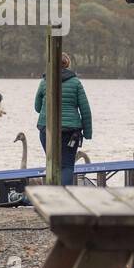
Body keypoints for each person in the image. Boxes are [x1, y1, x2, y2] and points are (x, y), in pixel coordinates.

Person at [35, 53, 92, 186]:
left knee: (52, 164)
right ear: (67, 64)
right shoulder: (75, 82)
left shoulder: (44, 82)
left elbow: (37, 107)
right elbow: (85, 110)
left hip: (46, 129)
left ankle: (51, 197)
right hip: (70, 132)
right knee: (66, 166)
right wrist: (88, 133)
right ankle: (63, 196)